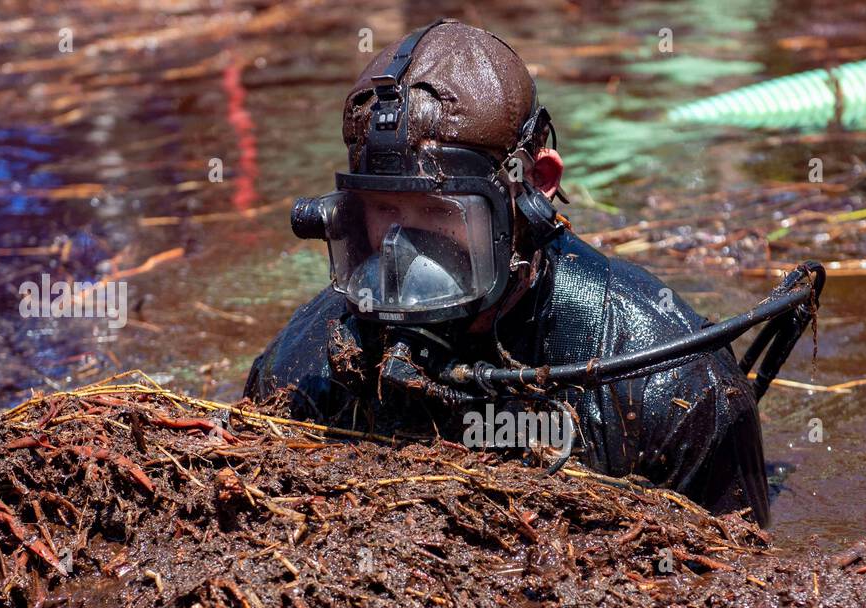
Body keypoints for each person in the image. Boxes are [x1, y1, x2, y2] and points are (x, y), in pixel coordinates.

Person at [246, 19, 821, 527]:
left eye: (438, 213)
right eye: (384, 210)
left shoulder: (677, 390)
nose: (405, 249)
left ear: (537, 185)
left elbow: (733, 599)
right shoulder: (298, 372)